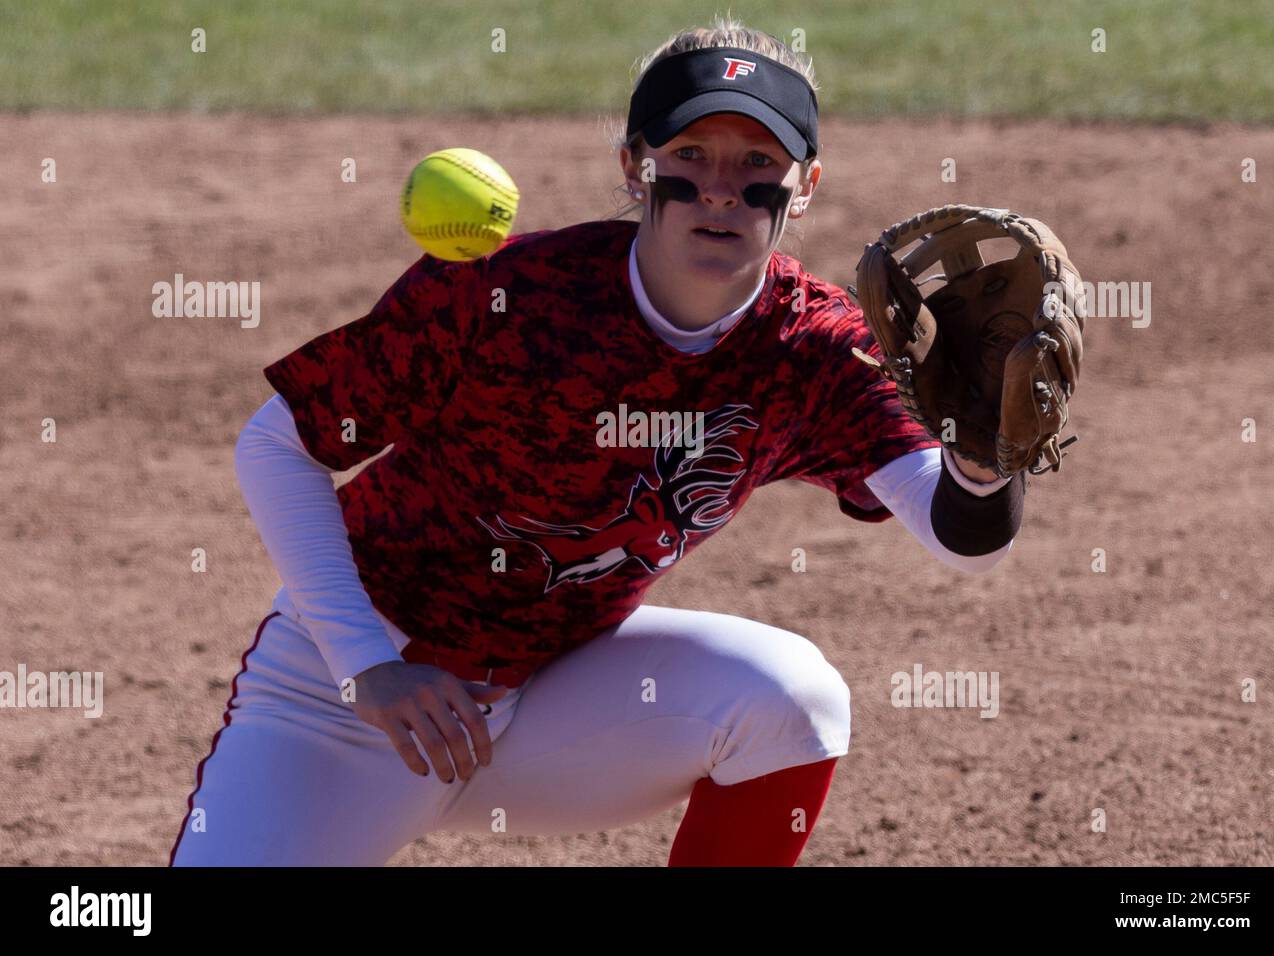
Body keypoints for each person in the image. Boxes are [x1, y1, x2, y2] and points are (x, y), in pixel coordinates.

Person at [170, 17, 1022, 868]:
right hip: (347, 699)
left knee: (791, 701)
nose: (720, 190)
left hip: (553, 702)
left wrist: (984, 462)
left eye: (758, 163)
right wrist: (365, 666)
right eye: (689, 156)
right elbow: (278, 442)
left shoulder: (815, 348)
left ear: (805, 187)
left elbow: (959, 532)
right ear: (634, 166)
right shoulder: (508, 295)